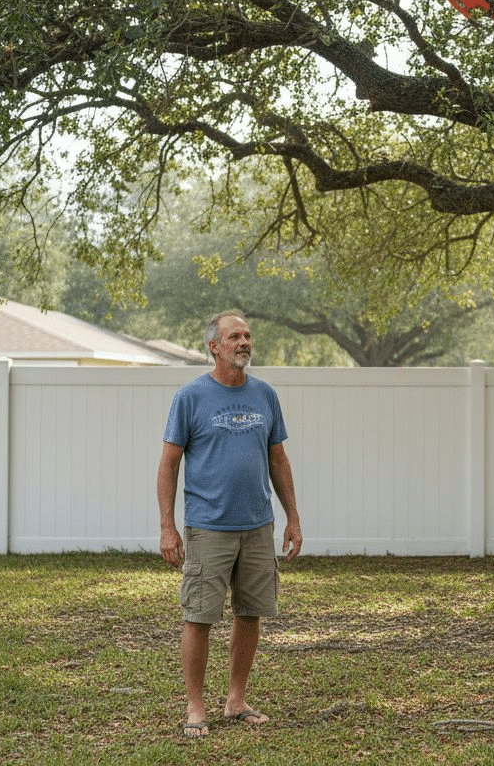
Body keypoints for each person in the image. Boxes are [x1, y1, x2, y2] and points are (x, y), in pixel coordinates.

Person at [157, 309, 303, 738]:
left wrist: (292, 517)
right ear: (213, 347)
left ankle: (235, 700)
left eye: (247, 335)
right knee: (199, 617)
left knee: (250, 613)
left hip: (258, 526)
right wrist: (168, 526)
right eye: (234, 336)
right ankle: (195, 707)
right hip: (208, 527)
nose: (244, 342)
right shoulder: (190, 397)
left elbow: (278, 458)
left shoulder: (265, 395)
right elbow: (168, 464)